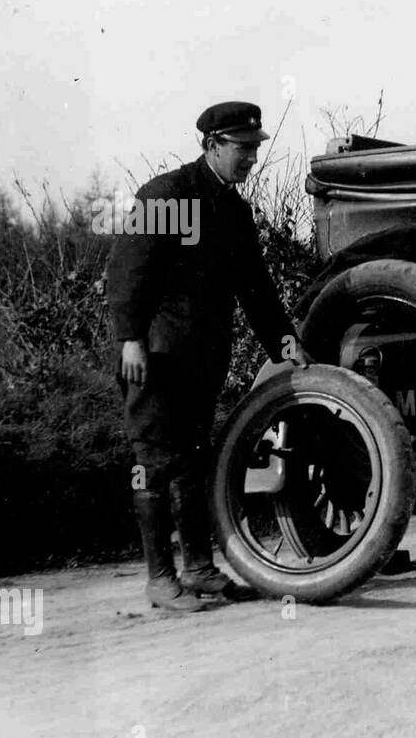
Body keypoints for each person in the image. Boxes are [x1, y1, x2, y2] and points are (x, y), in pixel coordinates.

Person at [107, 101, 311, 612]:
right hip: (153, 357)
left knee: (191, 465)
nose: (251, 159)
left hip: (201, 360)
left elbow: (257, 291)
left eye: (255, 149)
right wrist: (129, 337)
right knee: (154, 463)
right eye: (243, 149)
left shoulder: (235, 211)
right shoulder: (167, 195)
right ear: (212, 145)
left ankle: (198, 570)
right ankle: (160, 580)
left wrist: (285, 344)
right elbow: (127, 269)